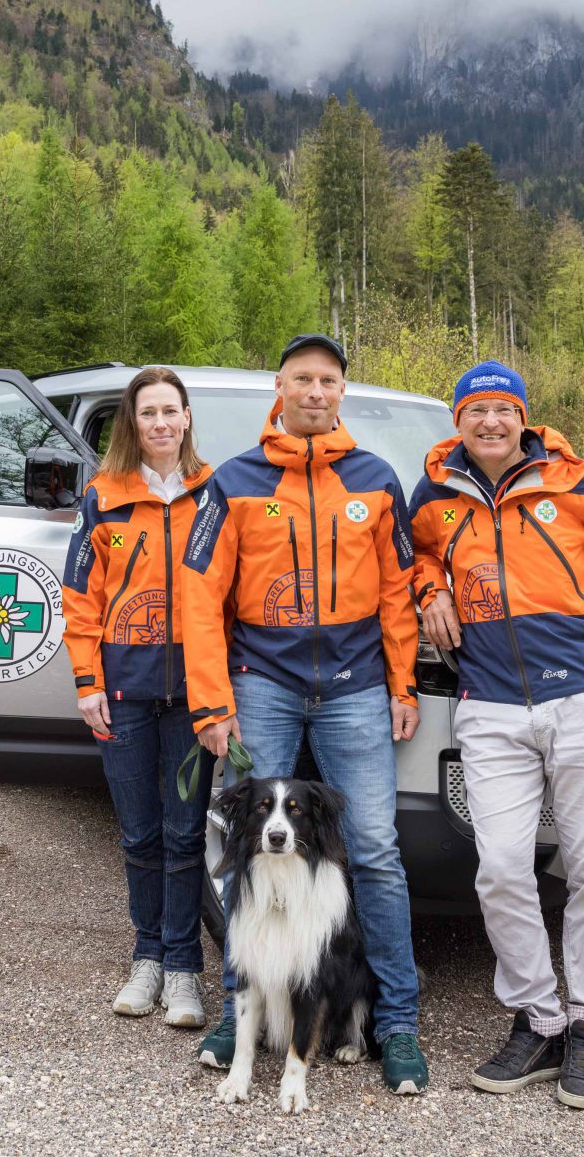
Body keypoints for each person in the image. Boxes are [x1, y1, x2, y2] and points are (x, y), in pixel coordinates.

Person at [409, 362, 584, 1109]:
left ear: (524, 417)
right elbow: (415, 556)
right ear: (459, 420)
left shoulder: (578, 482)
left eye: (505, 410)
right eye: (477, 411)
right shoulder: (434, 494)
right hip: (491, 707)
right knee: (501, 868)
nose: (491, 422)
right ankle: (538, 1018)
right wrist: (430, 590)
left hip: (583, 703)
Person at [179, 333, 430, 1095]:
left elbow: (396, 590)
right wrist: (211, 702)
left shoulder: (376, 478)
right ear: (279, 389)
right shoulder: (234, 481)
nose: (315, 391)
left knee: (378, 850)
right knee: (246, 846)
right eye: (301, 379)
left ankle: (396, 1020)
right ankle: (238, 1006)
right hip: (263, 681)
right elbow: (199, 597)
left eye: (327, 380)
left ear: (340, 392)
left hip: (355, 686)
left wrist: (403, 683)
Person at [61, 368, 216, 1028]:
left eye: (169, 412)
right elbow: (80, 599)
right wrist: (87, 682)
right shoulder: (103, 497)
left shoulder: (216, 495)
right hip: (122, 692)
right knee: (138, 833)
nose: (159, 424)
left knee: (185, 835)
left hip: (193, 696)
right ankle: (145, 957)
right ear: (133, 422)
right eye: (147, 412)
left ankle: (183, 970)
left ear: (186, 419)